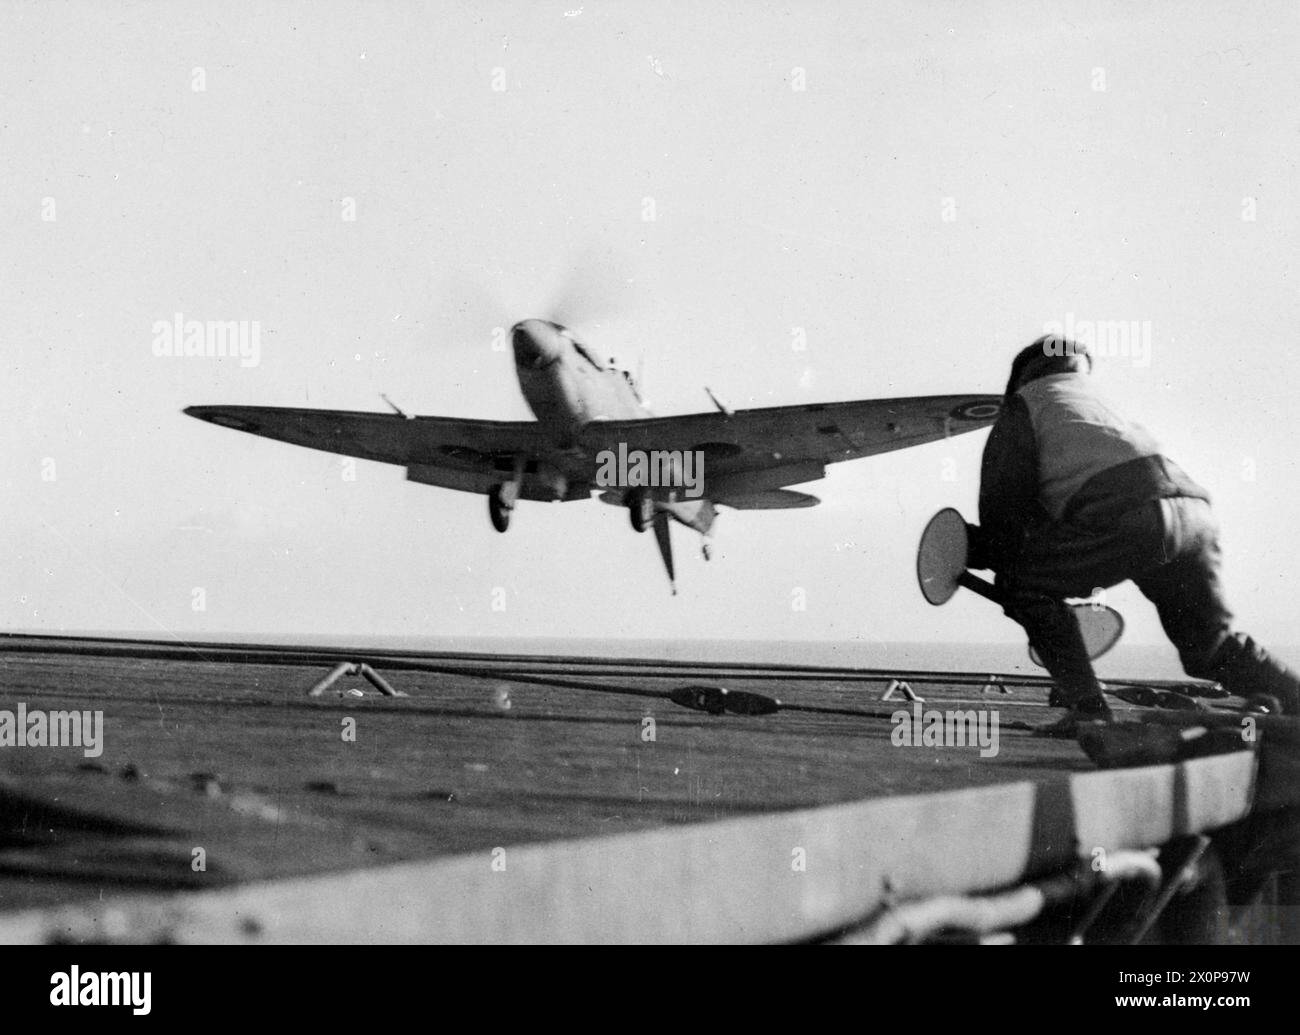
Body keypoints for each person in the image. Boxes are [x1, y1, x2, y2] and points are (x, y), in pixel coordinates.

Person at [968, 335, 1300, 735]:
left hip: (1129, 515)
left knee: (1023, 585)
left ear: (1020, 376)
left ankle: (1088, 709)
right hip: (1194, 513)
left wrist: (979, 549)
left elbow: (1003, 513)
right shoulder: (1096, 402)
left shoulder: (1024, 404)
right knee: (1209, 647)